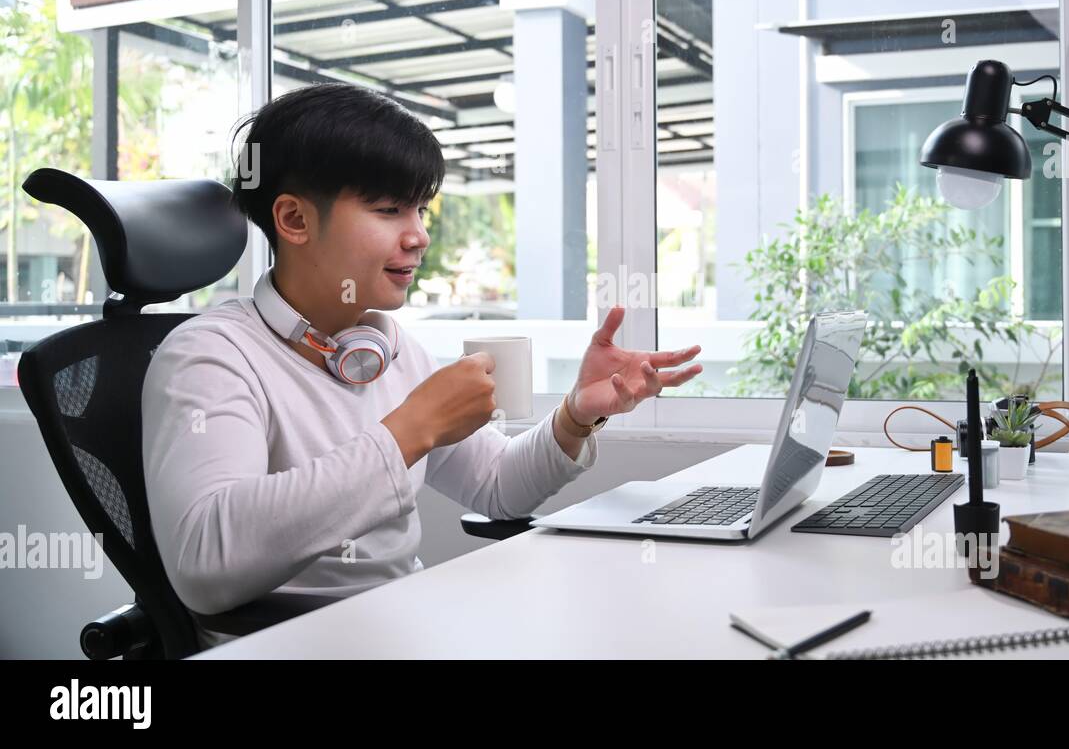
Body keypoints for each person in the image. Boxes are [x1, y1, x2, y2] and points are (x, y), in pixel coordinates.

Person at [141, 83, 703, 647]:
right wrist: (411, 429)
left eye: (420, 209)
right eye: (388, 210)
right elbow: (205, 565)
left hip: (402, 628)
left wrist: (576, 415)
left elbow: (498, 487)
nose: (419, 235)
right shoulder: (210, 356)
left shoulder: (387, 346)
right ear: (293, 219)